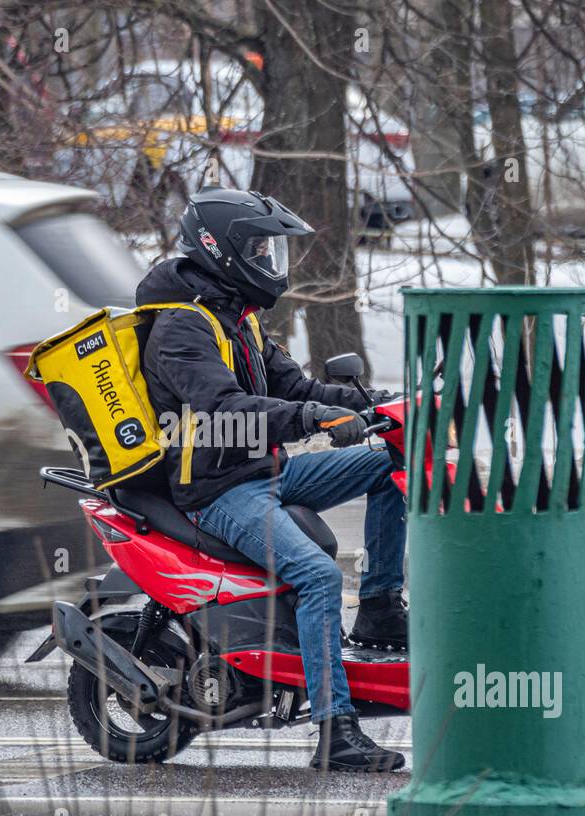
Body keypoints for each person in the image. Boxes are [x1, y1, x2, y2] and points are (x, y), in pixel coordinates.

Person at [137, 185, 406, 773]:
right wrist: (312, 420)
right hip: (218, 490)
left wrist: (379, 405)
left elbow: (298, 389)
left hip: (270, 471)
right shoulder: (182, 328)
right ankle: (336, 732)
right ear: (220, 250)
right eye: (260, 249)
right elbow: (225, 407)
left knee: (393, 463)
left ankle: (382, 606)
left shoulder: (238, 317)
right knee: (316, 577)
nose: (271, 262)